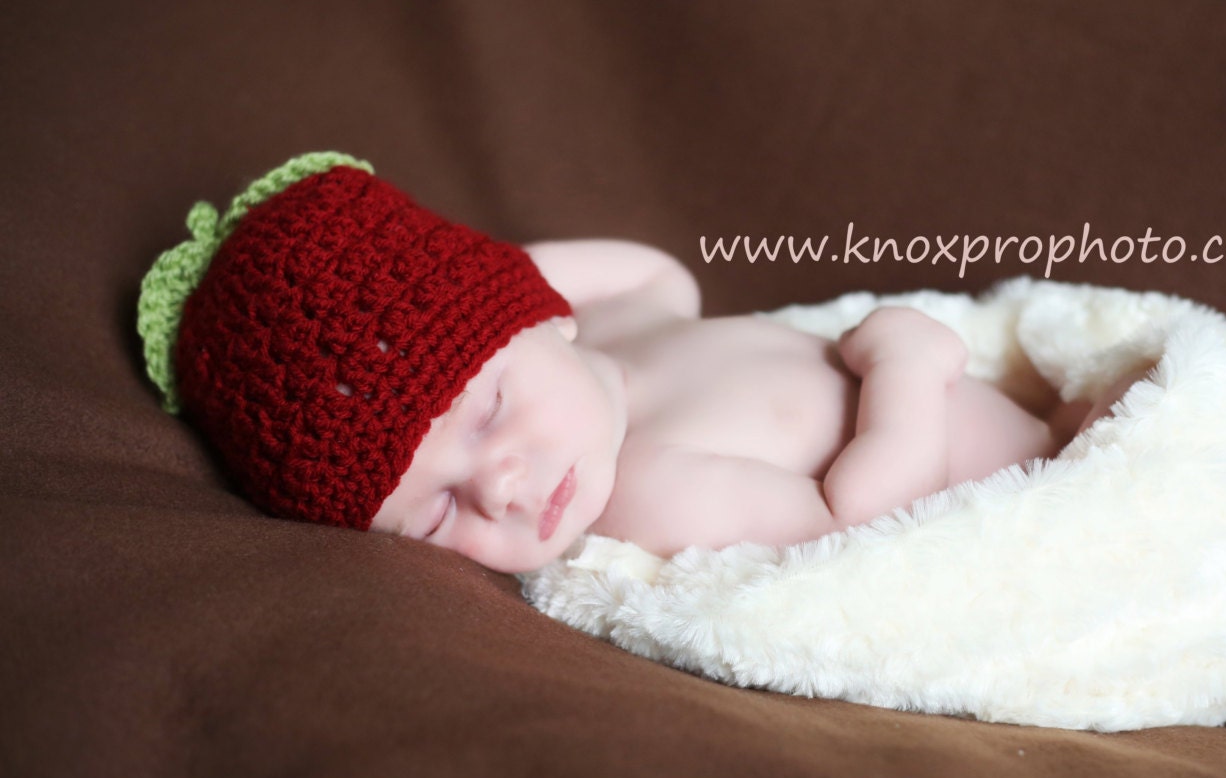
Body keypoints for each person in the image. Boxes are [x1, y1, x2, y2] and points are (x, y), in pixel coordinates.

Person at [139, 152, 1128, 574]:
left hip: (1042, 425)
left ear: (538, 318)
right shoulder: (644, 488)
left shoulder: (610, 333)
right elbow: (857, 522)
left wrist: (499, 280)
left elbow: (662, 274)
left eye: (484, 414)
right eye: (433, 513)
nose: (500, 486)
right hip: (1023, 495)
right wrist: (908, 371)